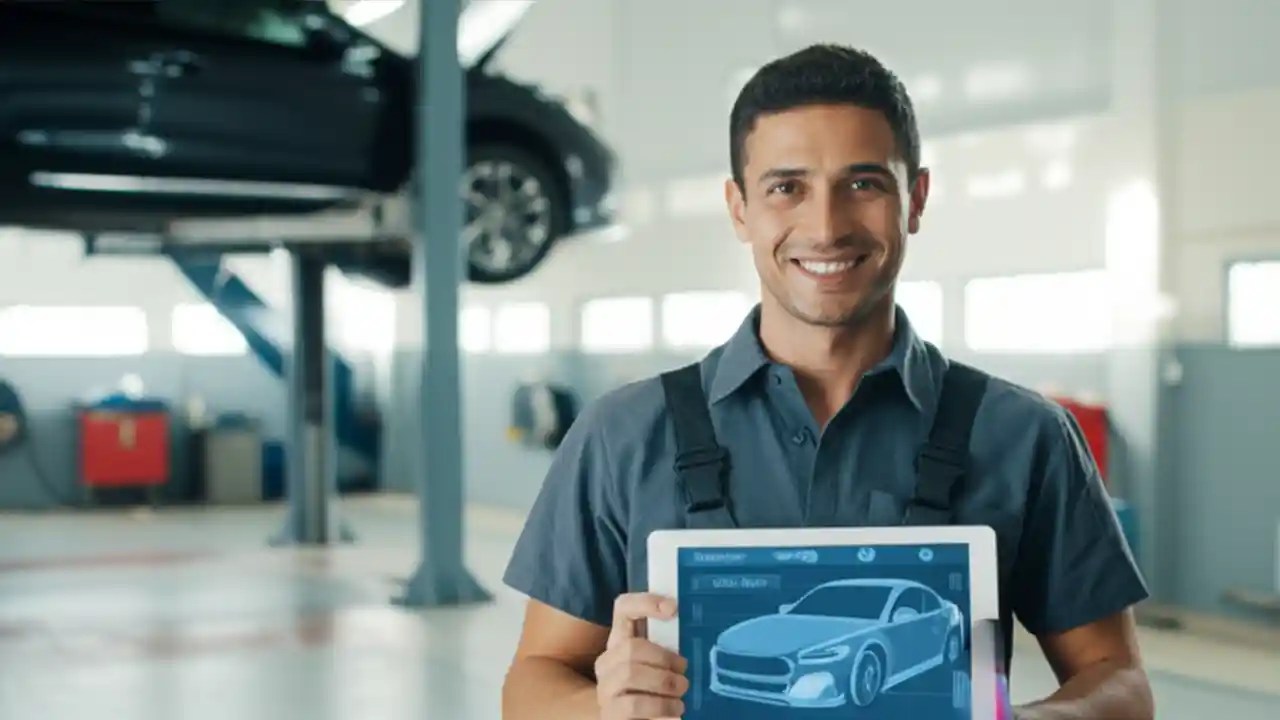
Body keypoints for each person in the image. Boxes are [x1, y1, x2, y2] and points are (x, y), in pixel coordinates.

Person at [500, 43, 1154, 720]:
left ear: (916, 199)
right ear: (739, 208)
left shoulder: (1026, 436)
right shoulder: (622, 436)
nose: (827, 226)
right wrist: (601, 708)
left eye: (864, 183)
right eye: (787, 187)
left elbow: (1119, 681)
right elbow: (532, 682)